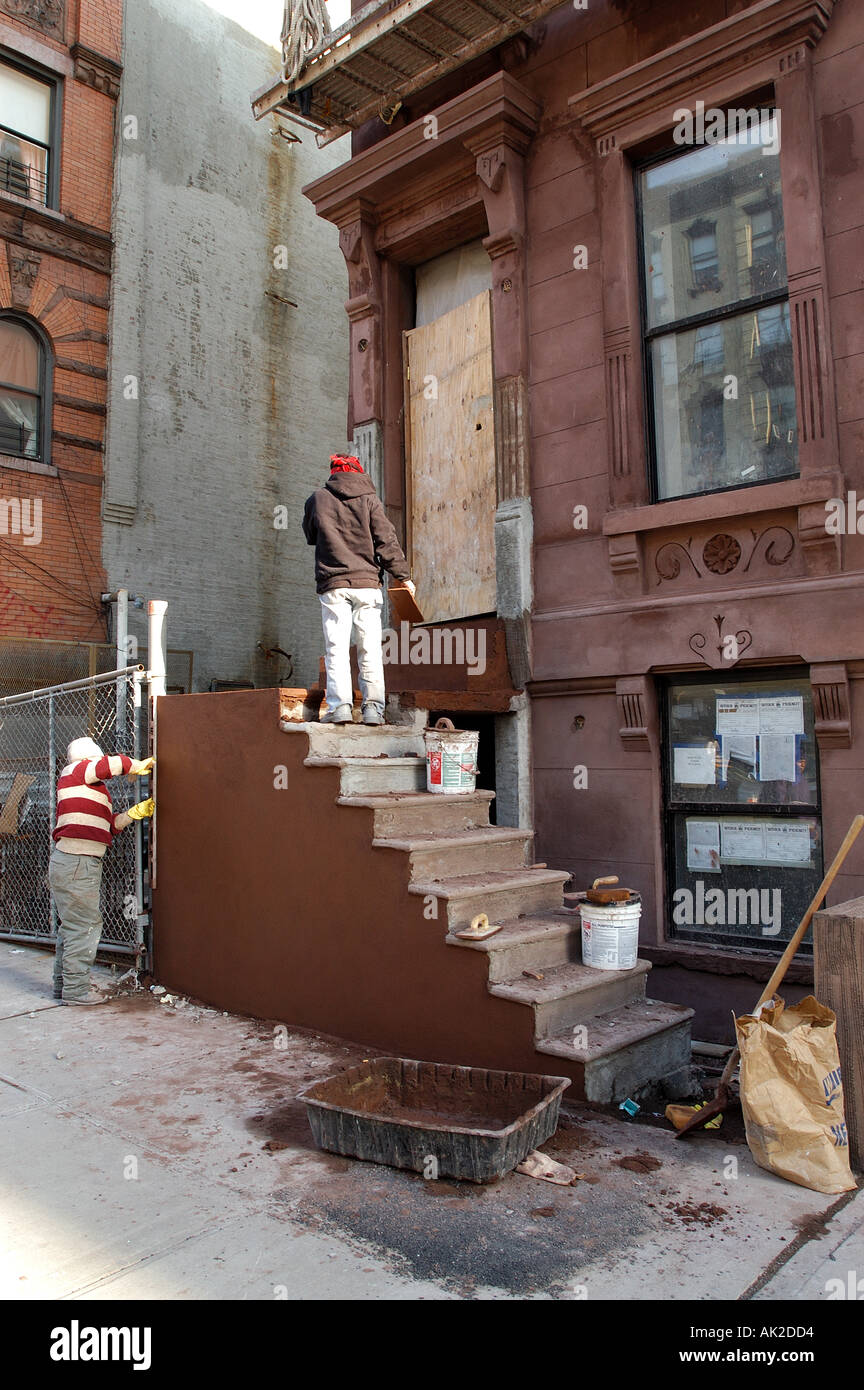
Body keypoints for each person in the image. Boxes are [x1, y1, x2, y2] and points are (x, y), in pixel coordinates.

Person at [302, 454, 415, 725]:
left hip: (334, 584)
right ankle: (373, 710)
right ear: (359, 472)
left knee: (336, 648)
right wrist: (404, 576)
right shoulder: (370, 500)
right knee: (370, 649)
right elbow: (386, 541)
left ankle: (339, 708)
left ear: (334, 473)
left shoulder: (317, 498)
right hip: (367, 585)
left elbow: (310, 535)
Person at [49, 737, 154, 1005]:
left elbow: (109, 826)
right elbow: (107, 764)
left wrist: (133, 814)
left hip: (74, 863)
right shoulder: (75, 772)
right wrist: (135, 765)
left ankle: (63, 987)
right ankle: (75, 992)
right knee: (84, 927)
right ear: (88, 758)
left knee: (71, 927)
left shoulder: (89, 789)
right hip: (77, 862)